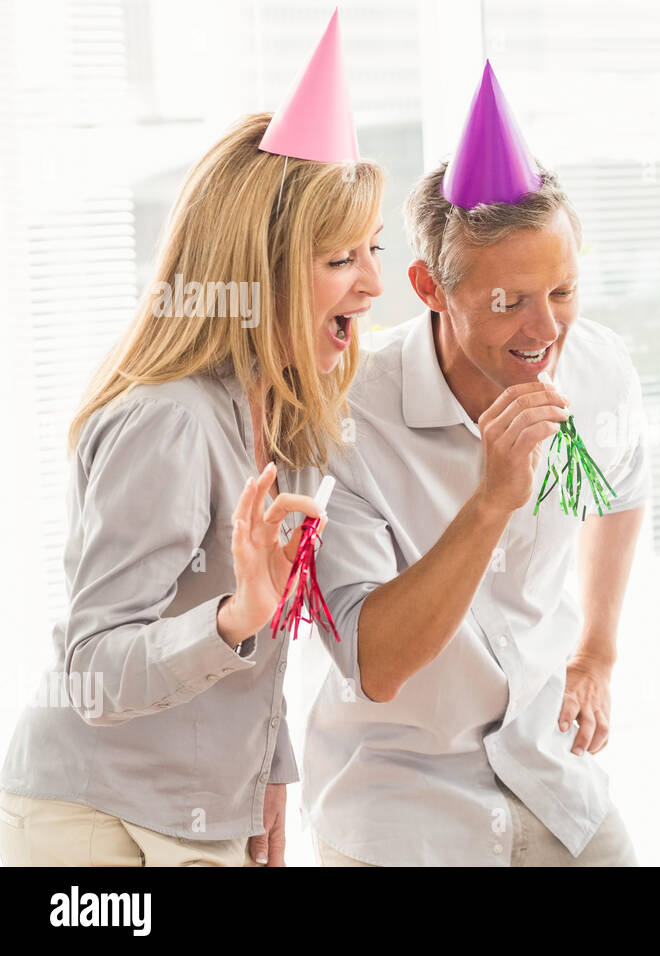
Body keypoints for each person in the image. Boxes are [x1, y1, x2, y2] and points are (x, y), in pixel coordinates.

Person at [0, 110, 385, 866]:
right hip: (94, 819)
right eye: (342, 259)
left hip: (197, 813)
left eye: (373, 250)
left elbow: (264, 634)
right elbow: (94, 673)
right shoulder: (166, 422)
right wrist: (235, 615)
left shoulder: (289, 413)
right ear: (256, 274)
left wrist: (266, 773)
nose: (372, 284)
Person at [287, 64, 649, 867]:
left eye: (562, 290)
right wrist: (490, 501)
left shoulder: (597, 369)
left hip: (552, 772)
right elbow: (373, 663)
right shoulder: (348, 418)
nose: (544, 326)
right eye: (508, 300)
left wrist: (597, 653)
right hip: (399, 801)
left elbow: (624, 490)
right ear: (426, 287)